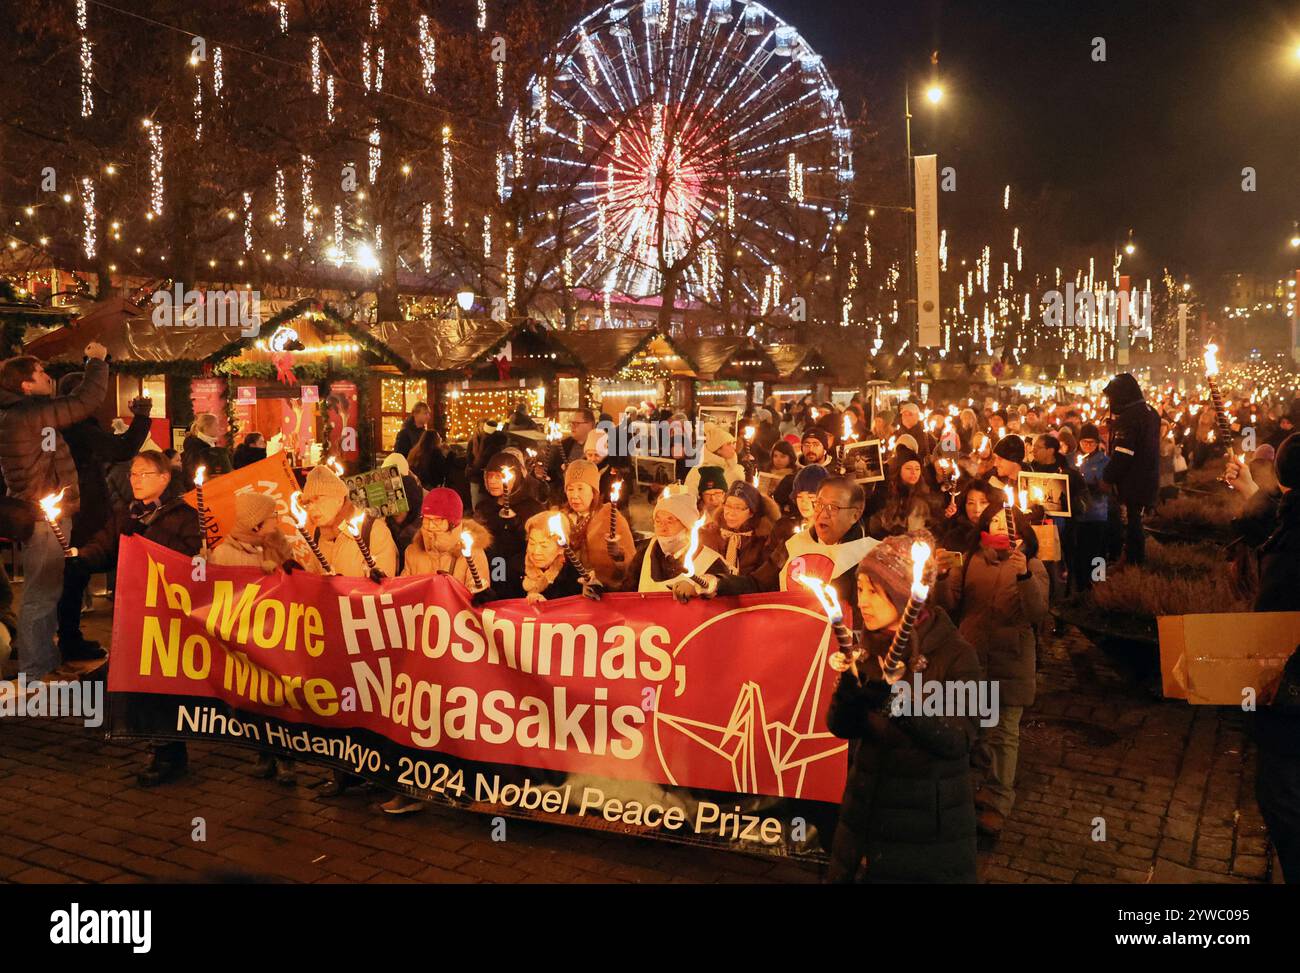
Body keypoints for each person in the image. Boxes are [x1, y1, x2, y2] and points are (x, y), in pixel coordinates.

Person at [825, 531, 980, 883]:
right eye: (860, 589)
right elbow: (841, 728)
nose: (861, 602)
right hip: (865, 819)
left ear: (903, 594)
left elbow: (959, 738)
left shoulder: (956, 654)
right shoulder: (865, 649)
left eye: (873, 592)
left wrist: (897, 702)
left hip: (926, 829)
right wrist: (847, 696)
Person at [69, 449, 201, 785]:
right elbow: (105, 546)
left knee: (161, 683)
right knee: (140, 680)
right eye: (132, 474)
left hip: (167, 613)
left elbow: (192, 557)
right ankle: (159, 749)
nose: (136, 480)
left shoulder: (185, 515)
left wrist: (149, 545)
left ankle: (170, 753)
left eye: (144, 474)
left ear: (165, 478)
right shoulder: (126, 514)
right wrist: (81, 558)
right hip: (133, 610)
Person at [936, 501, 1049, 838]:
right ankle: (971, 792)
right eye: (996, 519)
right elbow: (947, 603)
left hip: (1010, 660)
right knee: (973, 731)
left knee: (1003, 735)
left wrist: (1024, 577)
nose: (1002, 525)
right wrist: (941, 576)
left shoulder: (1033, 565)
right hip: (970, 658)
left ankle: (997, 801)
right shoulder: (969, 560)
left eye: (1009, 521)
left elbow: (1037, 613)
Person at [0, 342, 109, 679]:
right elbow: (83, 401)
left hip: (45, 512)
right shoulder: (26, 414)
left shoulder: (23, 413)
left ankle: (45, 662)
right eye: (41, 373)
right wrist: (96, 362)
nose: (49, 377)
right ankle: (35, 670)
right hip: (44, 516)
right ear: (26, 385)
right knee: (41, 593)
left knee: (48, 590)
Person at [55, 375, 153, 661]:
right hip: (83, 512)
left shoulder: (63, 424)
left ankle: (67, 638)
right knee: (77, 574)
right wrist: (142, 417)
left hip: (76, 510)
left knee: (70, 578)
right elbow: (122, 449)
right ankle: (71, 641)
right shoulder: (79, 428)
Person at [209, 491, 299, 785]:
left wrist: (282, 572)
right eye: (272, 516)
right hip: (243, 635)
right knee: (252, 696)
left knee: (279, 695)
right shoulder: (224, 553)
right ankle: (263, 750)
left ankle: (286, 755)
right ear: (257, 524)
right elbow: (219, 591)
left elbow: (298, 580)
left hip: (275, 633)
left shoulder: (279, 544)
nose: (277, 520)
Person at [298, 463, 398, 580]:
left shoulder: (373, 532)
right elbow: (312, 583)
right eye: (308, 502)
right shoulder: (318, 536)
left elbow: (387, 588)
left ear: (339, 499)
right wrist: (297, 575)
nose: (311, 508)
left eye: (317, 499)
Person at [622, 488, 727, 596]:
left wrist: (697, 590)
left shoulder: (711, 561)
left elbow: (725, 602)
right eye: (658, 522)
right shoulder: (644, 554)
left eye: (669, 522)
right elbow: (625, 595)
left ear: (687, 526)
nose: (663, 528)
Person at [1101, 373, 1160, 565]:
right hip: (1149, 478)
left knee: (1132, 525)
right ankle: (1135, 562)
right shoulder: (1151, 412)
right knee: (1136, 523)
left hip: (1132, 482)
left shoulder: (1130, 418)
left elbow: (1124, 453)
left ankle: (1133, 564)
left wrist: (1107, 478)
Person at [474, 449, 544, 600]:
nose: (493, 481)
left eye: (499, 476)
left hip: (519, 579)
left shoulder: (531, 507)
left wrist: (516, 524)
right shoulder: (484, 507)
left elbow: (537, 544)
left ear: (516, 477)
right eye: (490, 476)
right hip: (490, 574)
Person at [559, 459, 635, 590]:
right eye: (570, 489)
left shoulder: (609, 516)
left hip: (604, 590)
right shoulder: (561, 518)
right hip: (566, 590)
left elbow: (631, 564)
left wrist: (618, 556)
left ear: (594, 492)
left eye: (580, 488)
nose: (574, 495)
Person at [400, 487, 492, 596]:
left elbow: (476, 591)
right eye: (426, 519)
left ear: (452, 523)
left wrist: (478, 595)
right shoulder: (413, 551)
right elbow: (403, 591)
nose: (430, 525)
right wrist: (384, 583)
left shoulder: (472, 553)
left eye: (437, 520)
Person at [699, 481, 775, 575]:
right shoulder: (709, 532)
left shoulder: (763, 541)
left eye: (738, 508)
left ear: (751, 512)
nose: (730, 513)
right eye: (728, 506)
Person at [867, 442, 940, 539]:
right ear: (899, 470)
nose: (914, 473)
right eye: (908, 468)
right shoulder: (886, 493)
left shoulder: (924, 495)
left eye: (917, 469)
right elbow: (874, 525)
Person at [521, 511, 588, 603]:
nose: (536, 552)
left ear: (561, 549)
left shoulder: (572, 576)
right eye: (532, 543)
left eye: (544, 545)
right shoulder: (515, 567)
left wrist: (548, 606)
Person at [1074, 423, 1110, 592]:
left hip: (1097, 515)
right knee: (1080, 554)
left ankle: (1099, 587)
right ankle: (1081, 588)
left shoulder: (1104, 461)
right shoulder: (1073, 460)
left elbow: (1107, 487)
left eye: (1092, 442)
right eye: (1084, 442)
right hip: (1078, 516)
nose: (1087, 446)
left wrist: (1094, 486)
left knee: (1098, 554)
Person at [684, 423, 744, 493]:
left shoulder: (736, 469)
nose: (734, 447)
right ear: (718, 450)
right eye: (728, 444)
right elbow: (689, 498)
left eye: (733, 443)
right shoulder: (697, 472)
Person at [181, 413, 232, 490]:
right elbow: (192, 471)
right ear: (207, 427)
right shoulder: (195, 446)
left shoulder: (211, 445)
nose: (219, 428)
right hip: (200, 490)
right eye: (216, 425)